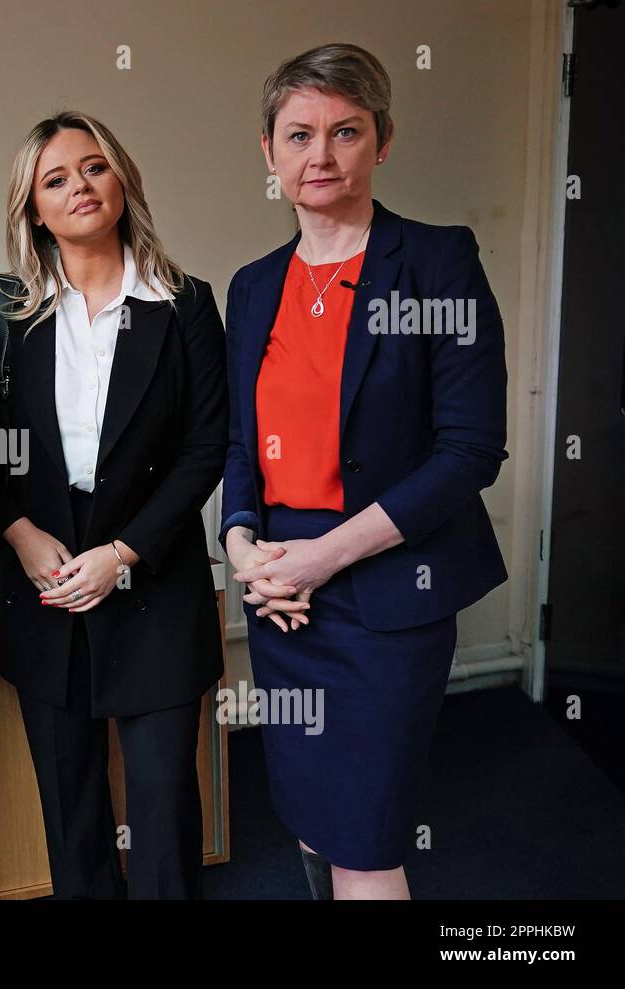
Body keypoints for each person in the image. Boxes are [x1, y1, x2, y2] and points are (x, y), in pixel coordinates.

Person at [220, 44, 508, 899]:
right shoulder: (252, 286)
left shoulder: (436, 261)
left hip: (386, 582)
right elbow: (241, 442)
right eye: (298, 134)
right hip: (280, 591)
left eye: (346, 131)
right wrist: (240, 545)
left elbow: (470, 450)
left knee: (367, 837)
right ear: (267, 153)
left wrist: (325, 556)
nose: (321, 156)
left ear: (382, 141)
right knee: (309, 816)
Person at [0, 111, 227, 898]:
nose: (78, 187)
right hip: (41, 582)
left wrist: (123, 553)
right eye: (55, 178)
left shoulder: (185, 303)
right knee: (70, 802)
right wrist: (17, 533)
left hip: (153, 578)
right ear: (32, 208)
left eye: (93, 168)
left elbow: (206, 448)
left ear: (122, 181)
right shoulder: (0, 310)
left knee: (161, 804)